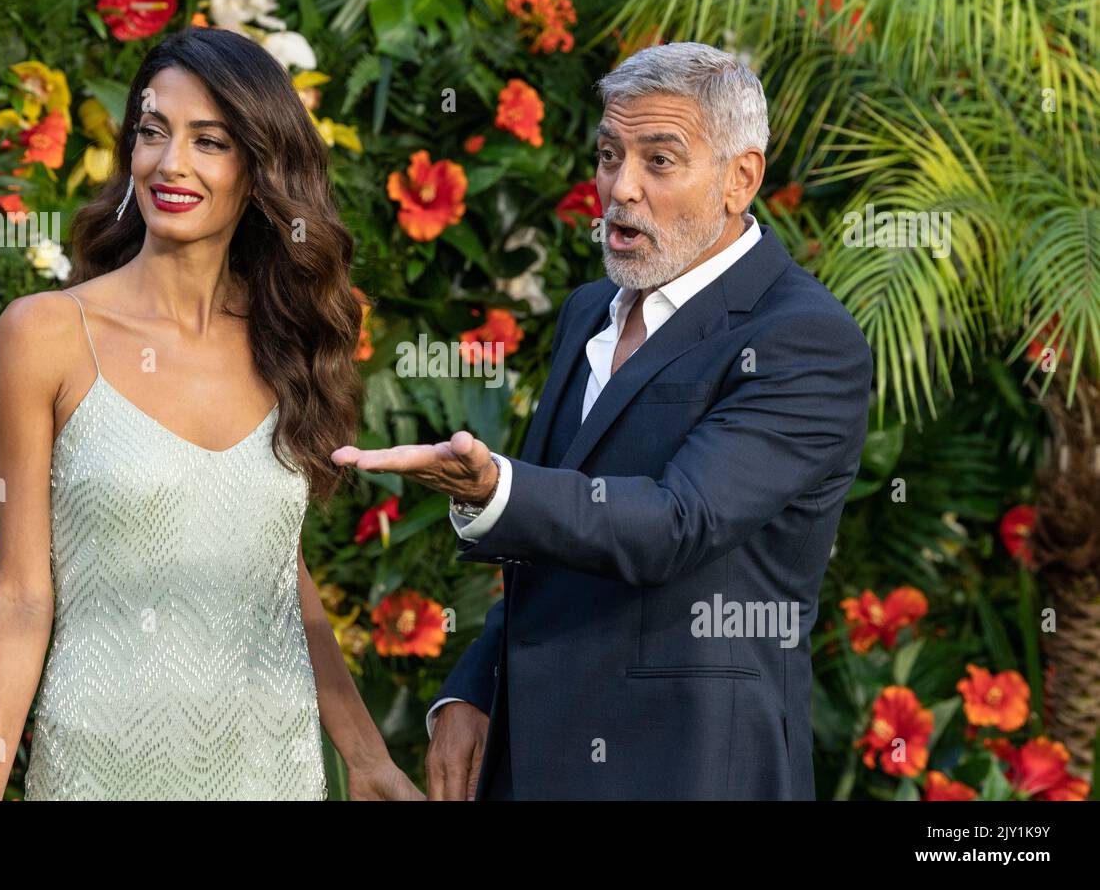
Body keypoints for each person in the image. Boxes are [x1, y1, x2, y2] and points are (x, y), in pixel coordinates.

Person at [332, 42, 874, 799]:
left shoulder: (802, 339)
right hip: (532, 759)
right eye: (609, 154)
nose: (620, 188)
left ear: (739, 179)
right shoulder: (592, 309)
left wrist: (496, 489)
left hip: (689, 765)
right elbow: (554, 541)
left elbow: (676, 521)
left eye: (659, 161)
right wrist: (475, 686)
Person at [0, 27, 420, 801]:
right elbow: (19, 595)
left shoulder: (286, 340)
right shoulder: (45, 333)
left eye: (208, 141)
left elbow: (276, 568)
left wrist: (367, 756)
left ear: (259, 166)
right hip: (97, 767)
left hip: (271, 772)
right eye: (152, 132)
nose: (170, 163)